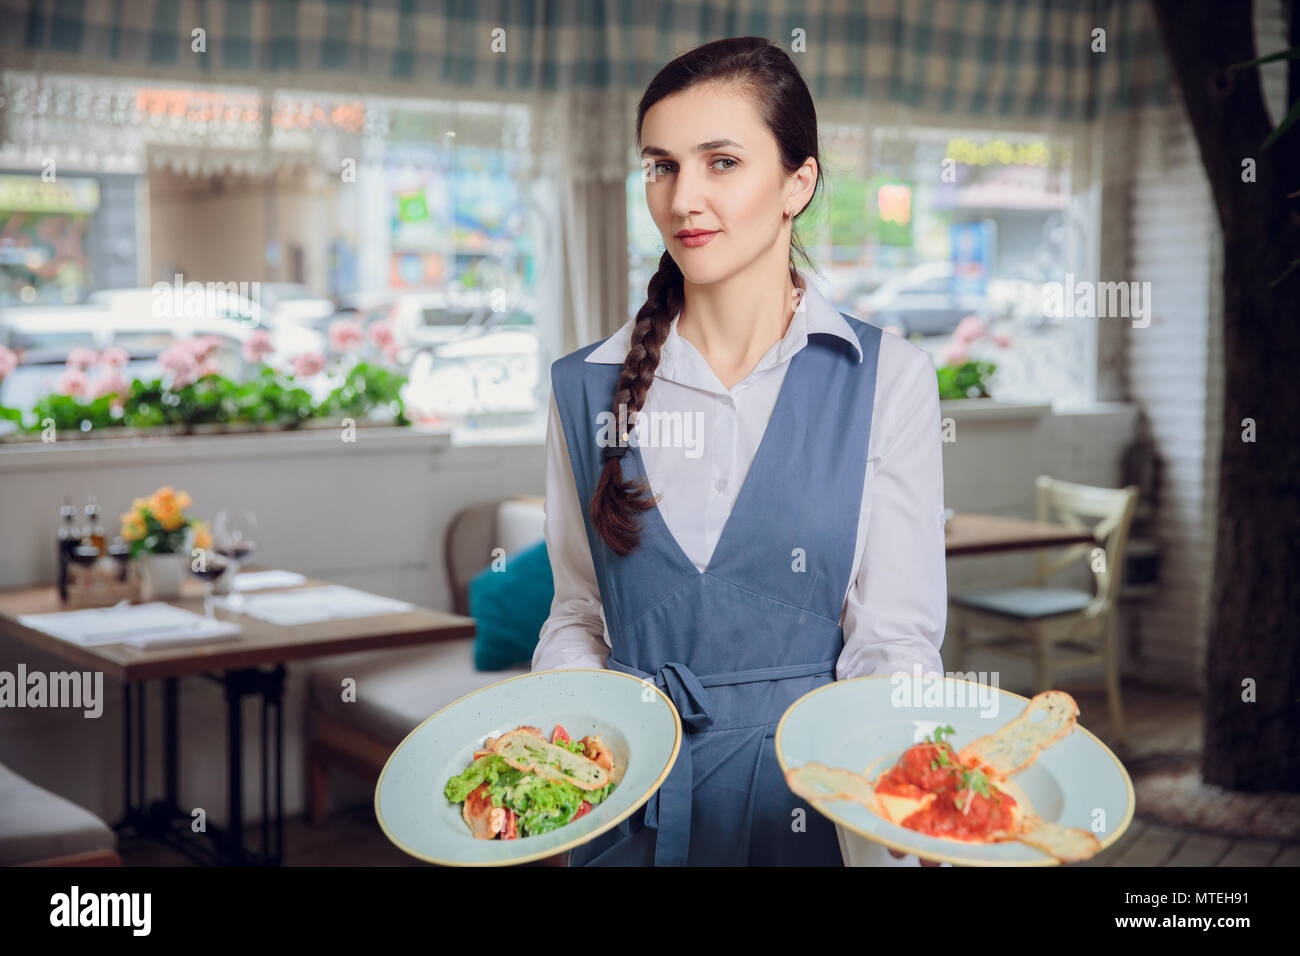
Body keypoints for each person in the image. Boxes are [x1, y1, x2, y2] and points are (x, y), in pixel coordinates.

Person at [534, 36, 947, 866]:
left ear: (799, 183)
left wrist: (911, 783)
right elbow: (578, 612)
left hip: (814, 805)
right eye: (661, 166)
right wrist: (560, 751)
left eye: (721, 162)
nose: (683, 198)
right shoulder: (584, 387)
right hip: (628, 808)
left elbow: (892, 640)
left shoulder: (888, 378)